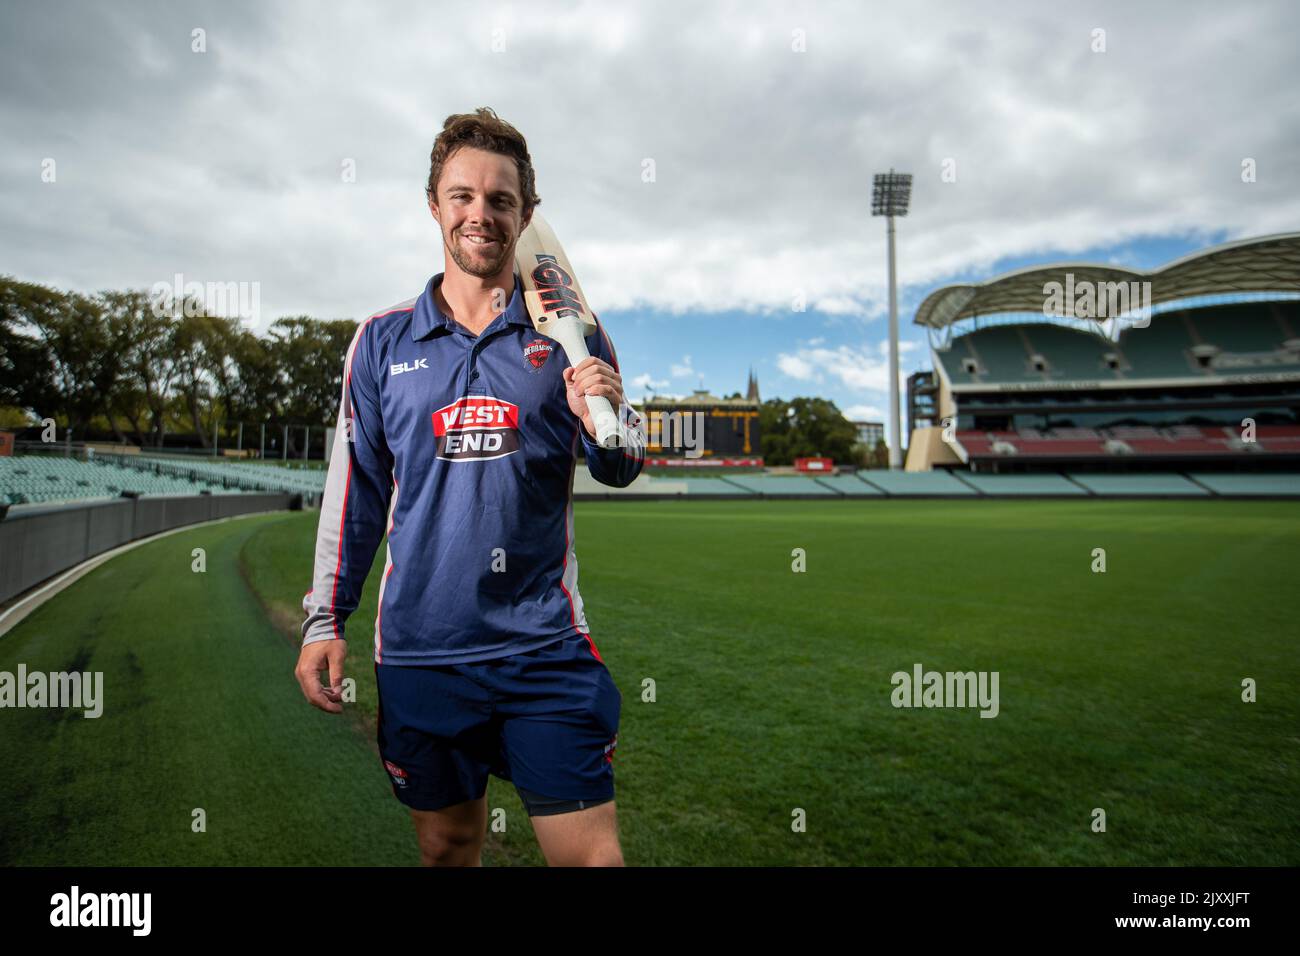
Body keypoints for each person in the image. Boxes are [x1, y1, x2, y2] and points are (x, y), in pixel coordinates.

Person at [294, 107, 645, 866]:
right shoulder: (382, 341)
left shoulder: (570, 334)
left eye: (500, 200)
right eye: (463, 196)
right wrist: (327, 619)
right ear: (435, 205)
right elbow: (355, 493)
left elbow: (620, 463)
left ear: (525, 215)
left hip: (542, 645)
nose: (480, 214)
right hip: (424, 652)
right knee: (451, 850)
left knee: (594, 858)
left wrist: (608, 418)